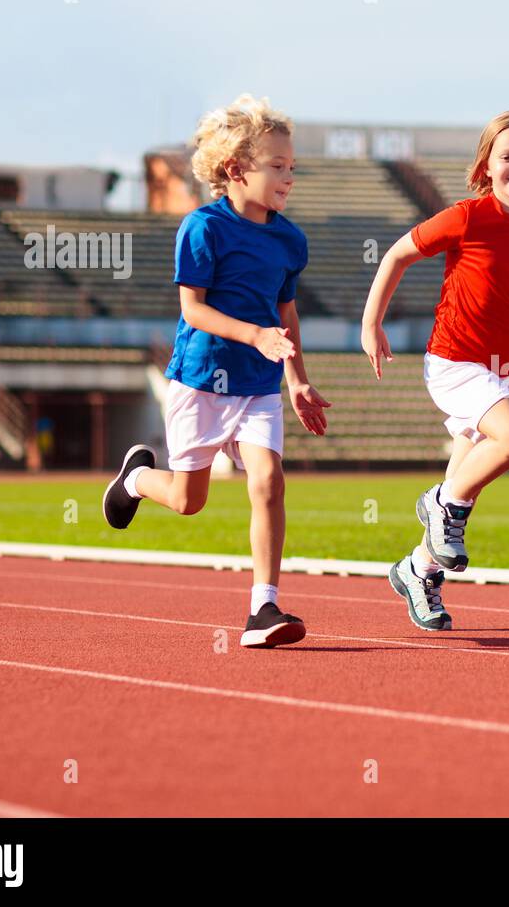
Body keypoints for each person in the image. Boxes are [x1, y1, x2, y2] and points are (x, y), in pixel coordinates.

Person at [102, 94, 330, 649]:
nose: (288, 177)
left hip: (258, 386)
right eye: (277, 166)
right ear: (235, 170)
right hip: (201, 381)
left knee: (268, 482)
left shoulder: (289, 239)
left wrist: (297, 378)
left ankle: (263, 607)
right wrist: (254, 335)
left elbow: (286, 313)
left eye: (291, 167)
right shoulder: (203, 228)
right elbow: (193, 309)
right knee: (188, 501)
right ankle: (135, 479)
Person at [361, 110, 509, 630]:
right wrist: (371, 323)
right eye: (508, 156)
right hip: (454, 362)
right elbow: (397, 256)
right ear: (487, 166)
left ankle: (416, 571)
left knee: (464, 489)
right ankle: (438, 501)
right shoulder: (467, 217)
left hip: (501, 369)